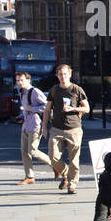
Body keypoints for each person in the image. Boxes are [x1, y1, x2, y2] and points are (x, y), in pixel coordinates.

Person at [41, 63, 89, 194]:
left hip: (74, 129)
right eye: (60, 74)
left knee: (74, 160)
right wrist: (44, 127)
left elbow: (87, 108)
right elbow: (47, 110)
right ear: (57, 75)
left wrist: (74, 108)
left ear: (70, 74)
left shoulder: (76, 89)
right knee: (53, 157)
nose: (63, 76)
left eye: (65, 74)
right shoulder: (54, 90)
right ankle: (66, 173)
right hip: (56, 129)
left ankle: (72, 184)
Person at [14, 71, 51, 185]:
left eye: (22, 80)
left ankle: (56, 165)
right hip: (25, 126)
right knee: (25, 152)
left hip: (35, 125)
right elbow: (25, 109)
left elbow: (46, 107)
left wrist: (31, 108)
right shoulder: (22, 93)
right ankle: (29, 177)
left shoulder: (34, 92)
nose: (19, 83)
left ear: (28, 80)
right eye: (17, 81)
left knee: (33, 151)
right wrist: (21, 116)